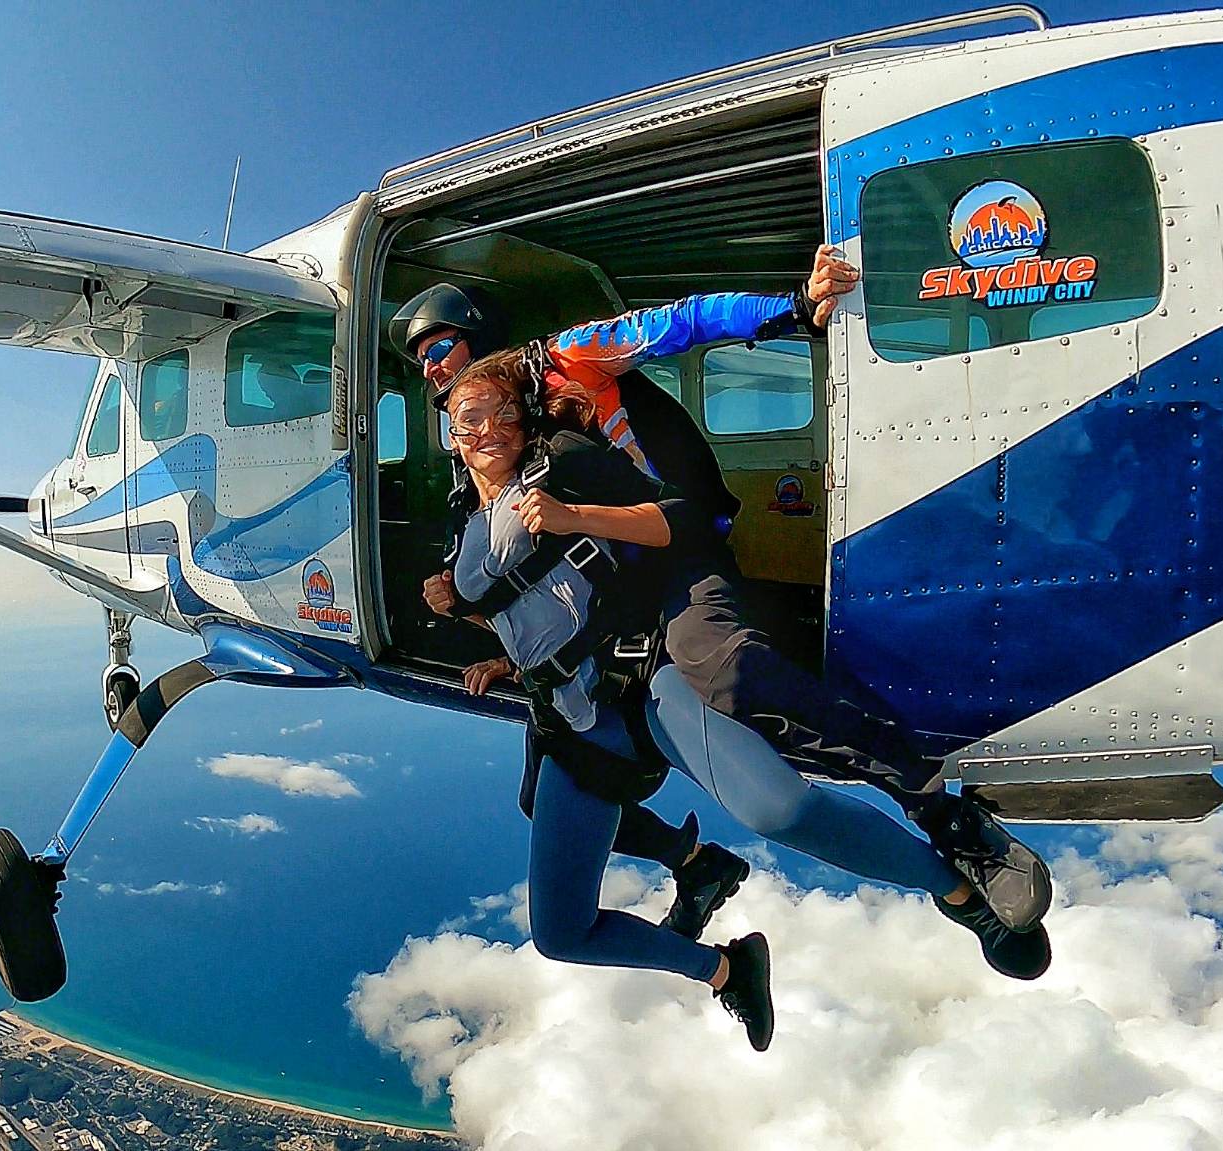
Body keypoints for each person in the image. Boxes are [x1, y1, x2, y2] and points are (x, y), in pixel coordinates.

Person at [394, 252, 1053, 932]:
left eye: (440, 348)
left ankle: (941, 809)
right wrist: (507, 646)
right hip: (615, 595)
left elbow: (680, 323)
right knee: (546, 792)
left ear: (484, 336)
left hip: (674, 545)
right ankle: (701, 862)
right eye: (422, 364)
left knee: (730, 671)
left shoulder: (565, 361)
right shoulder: (481, 445)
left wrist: (795, 306)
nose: (432, 369)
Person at [428, 353, 1052, 1049]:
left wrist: (573, 515)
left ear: (525, 418)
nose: (487, 430)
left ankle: (961, 894)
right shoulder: (464, 520)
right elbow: (535, 609)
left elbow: (682, 520)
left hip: (643, 682)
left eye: (502, 413)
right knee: (560, 932)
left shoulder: (561, 465)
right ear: (450, 434)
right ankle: (729, 971)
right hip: (574, 724)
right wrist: (481, 629)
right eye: (468, 419)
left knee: (780, 810)